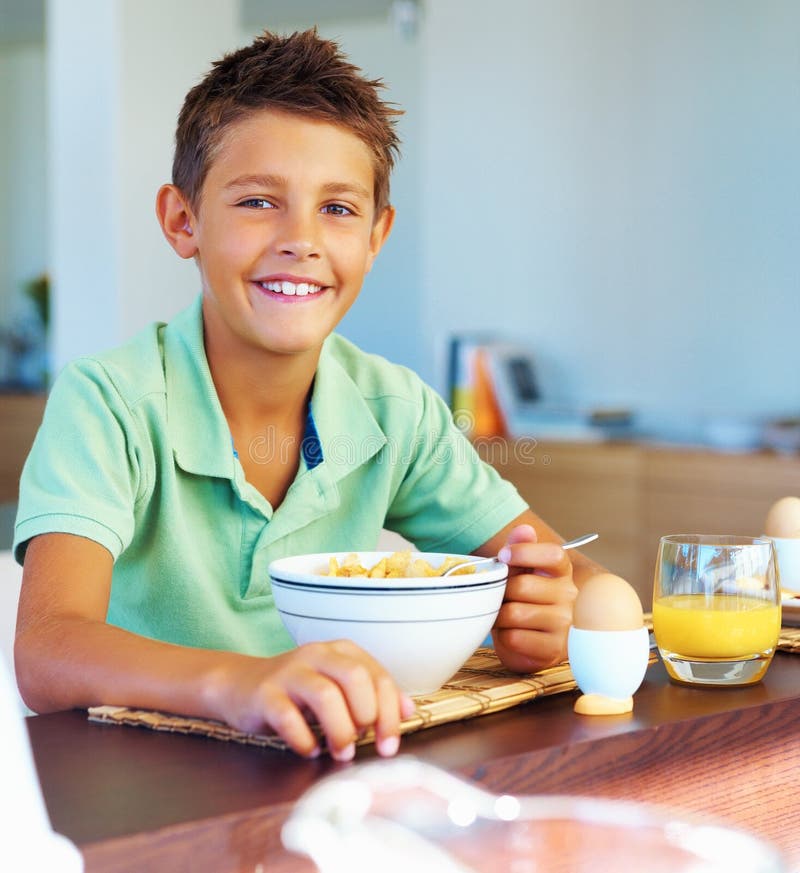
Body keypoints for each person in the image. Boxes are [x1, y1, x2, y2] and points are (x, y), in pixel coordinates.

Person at [13, 29, 602, 762]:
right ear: (182, 220)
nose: (302, 240)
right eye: (260, 201)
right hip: (137, 789)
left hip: (330, 777)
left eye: (339, 209)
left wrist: (550, 607)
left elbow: (570, 571)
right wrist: (245, 683)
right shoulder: (110, 402)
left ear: (377, 235)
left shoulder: (396, 410)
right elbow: (46, 649)